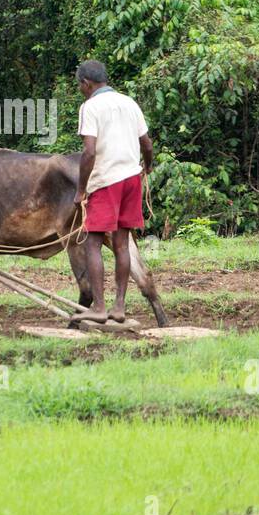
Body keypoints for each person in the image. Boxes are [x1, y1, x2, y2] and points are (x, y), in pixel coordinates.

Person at [73, 59, 153, 323]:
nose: (81, 90)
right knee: (121, 244)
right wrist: (147, 167)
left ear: (87, 83)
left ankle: (98, 306)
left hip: (106, 180)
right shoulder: (129, 103)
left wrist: (81, 191)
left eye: (80, 86)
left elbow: (89, 151)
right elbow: (147, 144)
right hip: (131, 179)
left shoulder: (90, 107)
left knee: (92, 243)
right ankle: (119, 307)